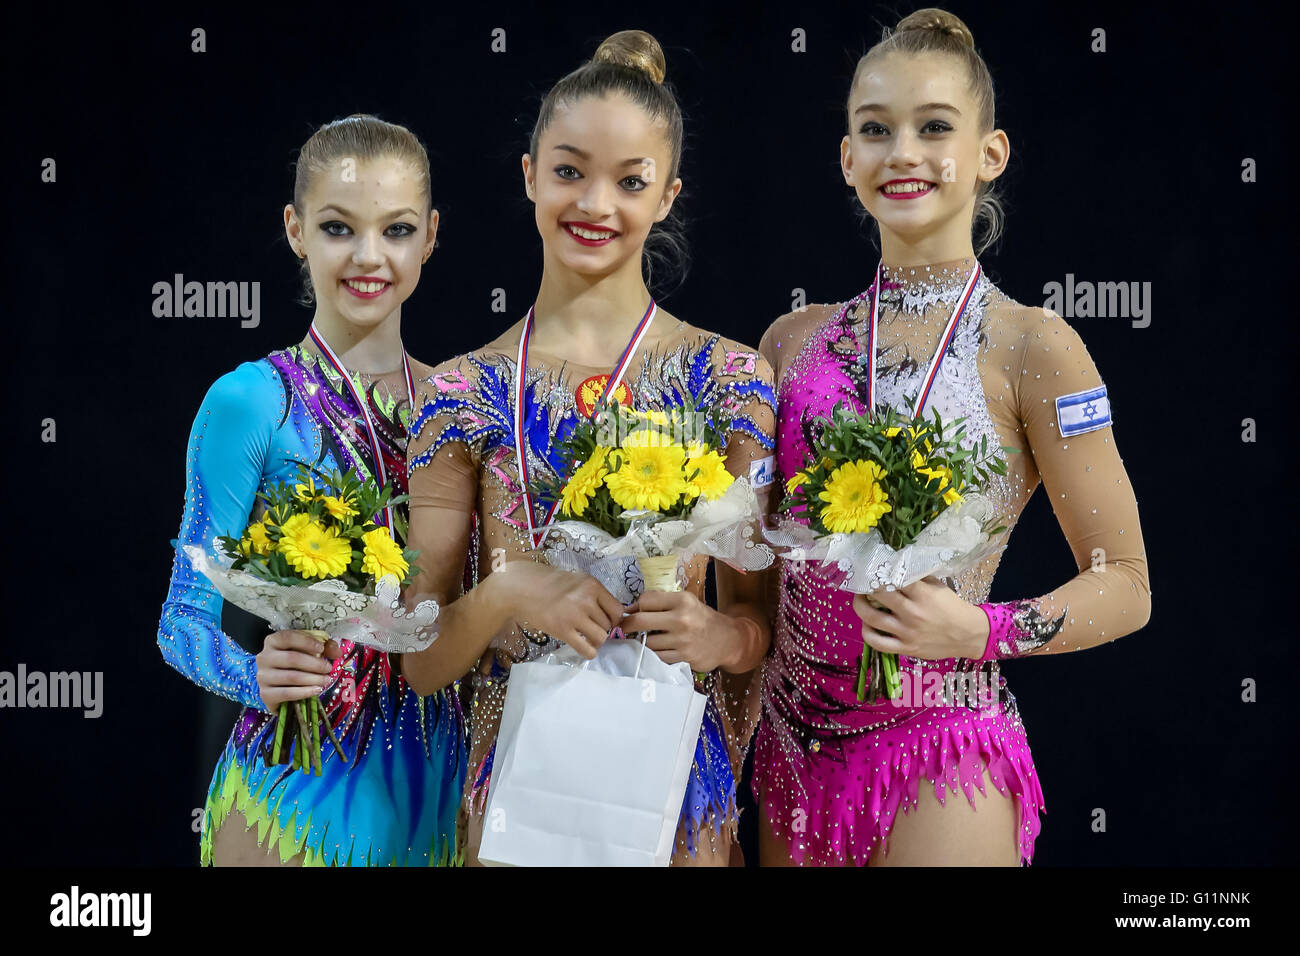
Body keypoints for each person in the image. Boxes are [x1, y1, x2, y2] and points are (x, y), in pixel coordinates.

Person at [751, 8, 1151, 866]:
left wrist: (982, 630)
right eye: (875, 129)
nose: (903, 152)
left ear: (989, 153)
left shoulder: (1033, 345)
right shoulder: (791, 343)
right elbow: (747, 567)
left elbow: (1127, 584)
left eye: (935, 127)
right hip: (792, 743)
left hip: (941, 739)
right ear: (847, 158)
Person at [401, 30, 776, 866]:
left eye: (630, 181)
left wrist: (719, 637)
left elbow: (761, 624)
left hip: (674, 804)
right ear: (530, 174)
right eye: (569, 171)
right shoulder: (460, 391)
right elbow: (419, 664)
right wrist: (505, 597)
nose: (595, 204)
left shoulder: (729, 380)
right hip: (518, 799)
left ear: (668, 194)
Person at [157, 114, 466, 866]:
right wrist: (252, 674)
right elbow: (180, 621)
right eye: (338, 228)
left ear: (428, 236)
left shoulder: (460, 408)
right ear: (295, 230)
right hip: (293, 786)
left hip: (434, 780)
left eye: (395, 231)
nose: (369, 257)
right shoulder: (252, 401)